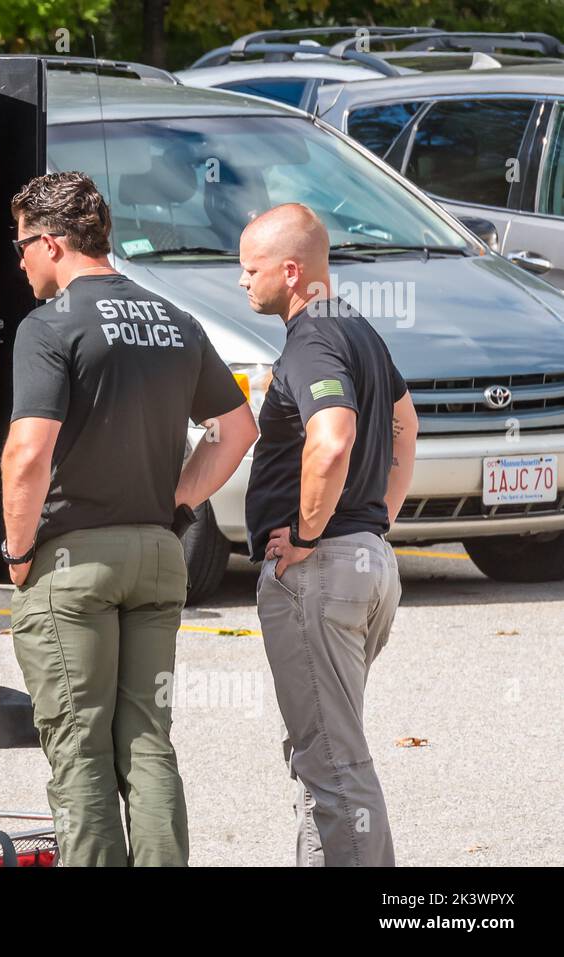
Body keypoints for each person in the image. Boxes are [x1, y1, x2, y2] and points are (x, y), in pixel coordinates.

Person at [1, 172, 258, 866]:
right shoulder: (176, 319)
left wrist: (17, 551)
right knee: (148, 741)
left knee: (80, 749)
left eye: (21, 241)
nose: (18, 257)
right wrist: (175, 501)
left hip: (72, 564)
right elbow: (236, 429)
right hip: (155, 555)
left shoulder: (49, 326)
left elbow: (27, 454)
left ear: (51, 242)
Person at [238, 203, 418, 867]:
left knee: (335, 764)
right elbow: (407, 424)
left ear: (291, 272)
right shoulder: (357, 328)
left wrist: (311, 535)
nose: (242, 282)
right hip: (366, 562)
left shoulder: (312, 338)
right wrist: (377, 522)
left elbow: (334, 435)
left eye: (250, 269)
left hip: (323, 571)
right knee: (325, 753)